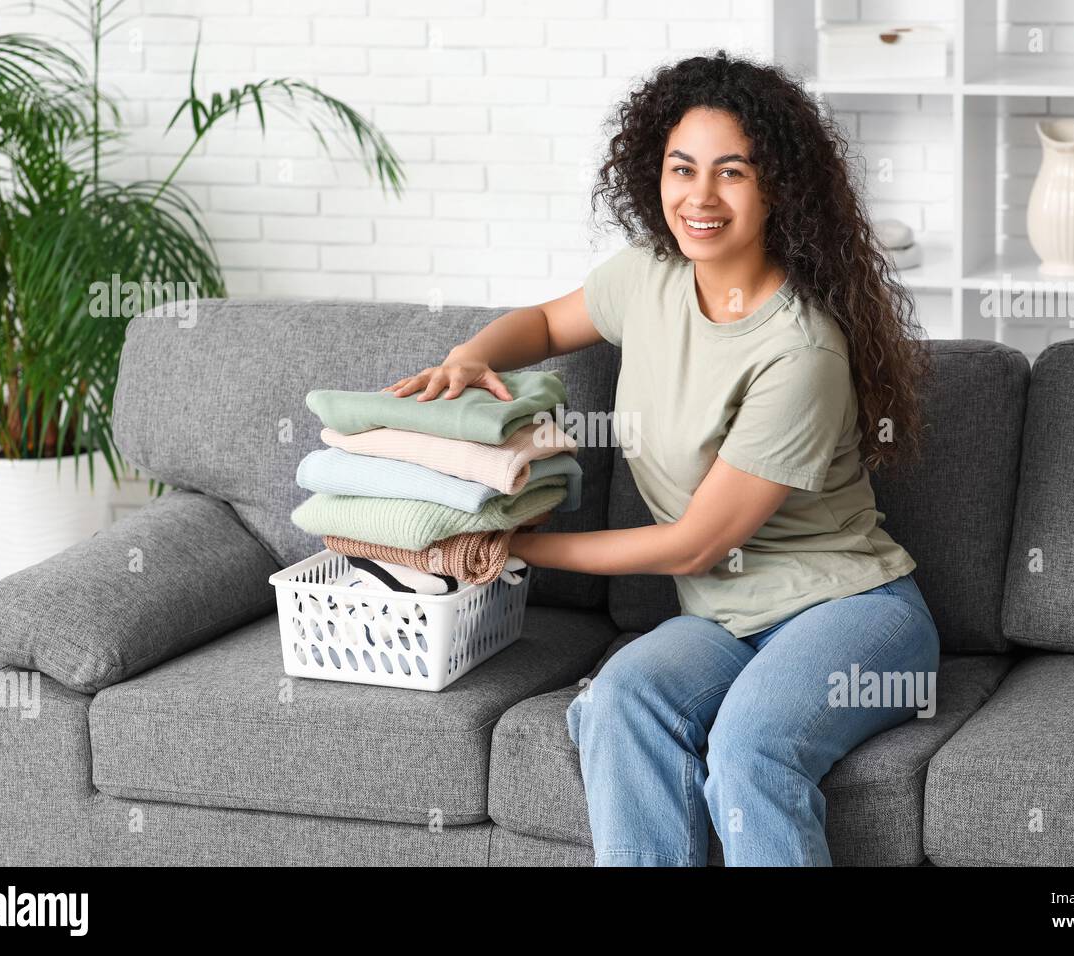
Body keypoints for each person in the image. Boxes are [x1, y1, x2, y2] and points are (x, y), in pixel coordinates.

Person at [382, 50, 940, 866]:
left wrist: (514, 548)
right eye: (682, 169)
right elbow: (540, 323)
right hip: (720, 621)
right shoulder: (648, 278)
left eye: (732, 172)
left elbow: (697, 544)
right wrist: (474, 354)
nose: (700, 197)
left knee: (751, 752)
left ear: (776, 186)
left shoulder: (800, 350)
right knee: (616, 703)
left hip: (850, 613)